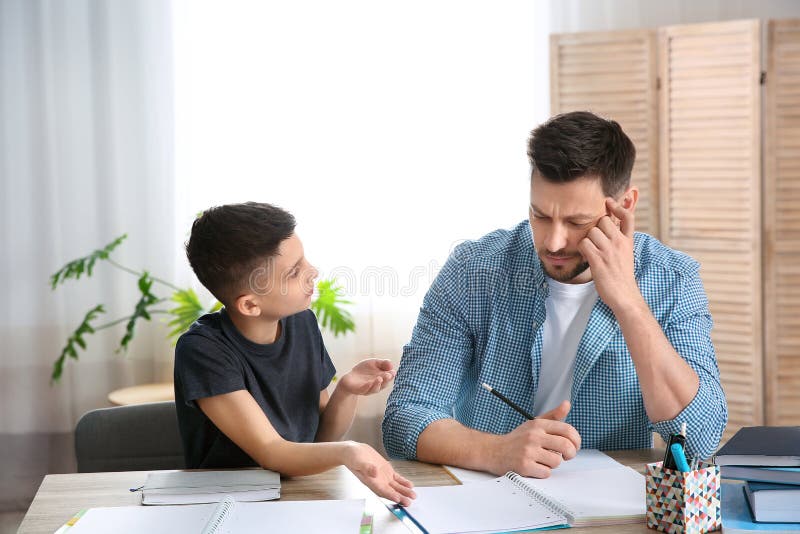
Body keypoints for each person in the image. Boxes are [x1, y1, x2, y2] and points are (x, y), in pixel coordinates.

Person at [383, 111, 727, 478]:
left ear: (623, 206)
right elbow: (405, 418)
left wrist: (628, 301)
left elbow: (700, 439)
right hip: (487, 494)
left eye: (577, 222)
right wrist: (497, 452)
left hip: (608, 512)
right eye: (540, 215)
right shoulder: (474, 270)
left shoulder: (672, 278)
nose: (554, 241)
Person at [175, 202, 415, 505]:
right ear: (250, 305)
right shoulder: (202, 351)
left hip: (297, 493)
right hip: (228, 502)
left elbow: (320, 440)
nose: (312, 272)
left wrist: (346, 390)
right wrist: (349, 452)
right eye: (294, 272)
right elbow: (271, 451)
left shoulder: (301, 322)